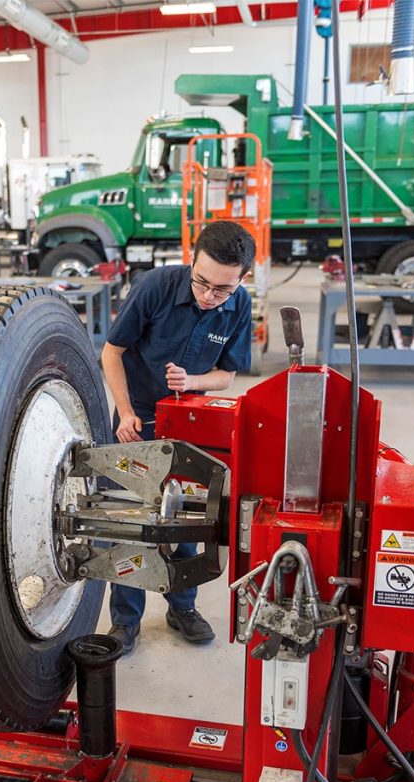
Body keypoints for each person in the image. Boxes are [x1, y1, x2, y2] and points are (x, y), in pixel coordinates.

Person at [101, 220, 256, 655]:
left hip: (191, 419)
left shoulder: (239, 305)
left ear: (242, 279)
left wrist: (192, 382)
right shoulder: (155, 286)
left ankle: (181, 607)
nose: (208, 296)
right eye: (202, 282)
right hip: (138, 414)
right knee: (129, 518)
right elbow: (111, 353)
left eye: (221, 290)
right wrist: (126, 412)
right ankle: (125, 621)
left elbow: (226, 376)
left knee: (190, 516)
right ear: (192, 261)